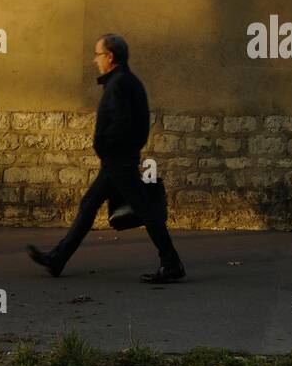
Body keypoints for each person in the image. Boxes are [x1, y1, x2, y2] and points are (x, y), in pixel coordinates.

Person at [25, 33, 186, 283]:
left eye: (98, 54)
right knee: (92, 205)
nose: (95, 60)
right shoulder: (126, 82)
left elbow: (123, 123)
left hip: (118, 161)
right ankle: (57, 258)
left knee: (142, 209)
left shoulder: (120, 84)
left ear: (110, 57)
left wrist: (106, 146)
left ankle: (171, 263)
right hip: (119, 160)